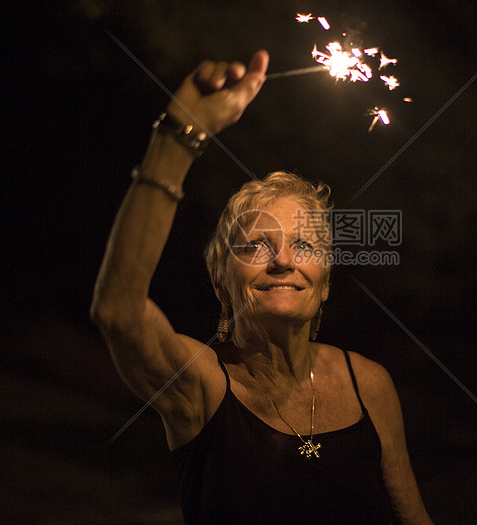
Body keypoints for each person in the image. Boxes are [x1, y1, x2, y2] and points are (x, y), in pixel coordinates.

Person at [91, 50, 433, 524]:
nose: (285, 262)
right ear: (221, 281)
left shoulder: (369, 385)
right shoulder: (200, 387)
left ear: (326, 282)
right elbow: (118, 313)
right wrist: (179, 137)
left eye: (304, 245)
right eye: (255, 246)